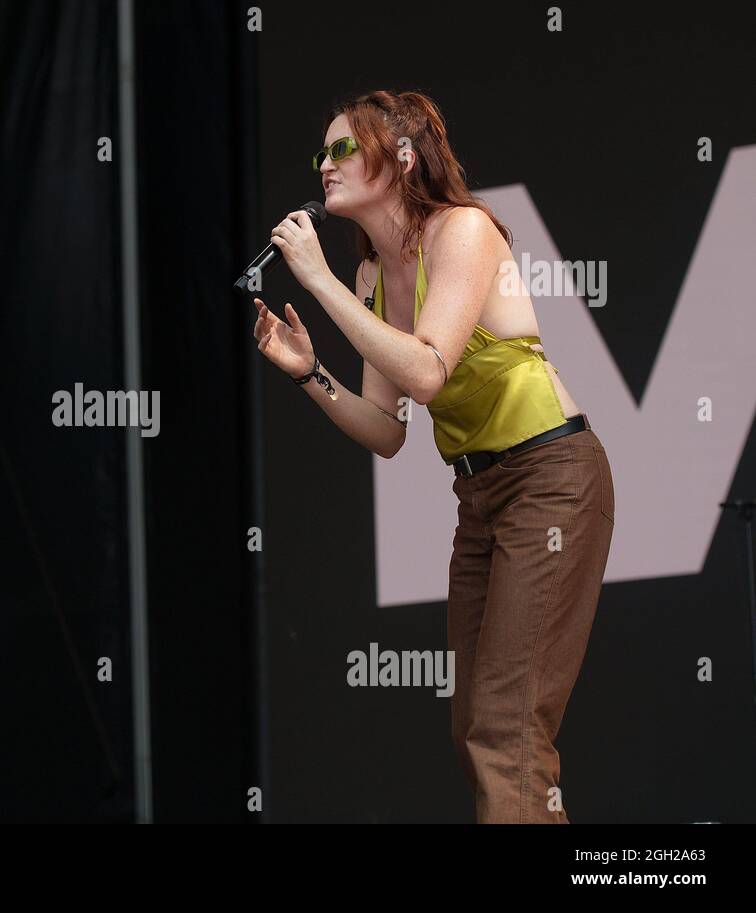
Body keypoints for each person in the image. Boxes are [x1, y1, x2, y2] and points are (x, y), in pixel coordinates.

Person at [251, 90, 614, 823]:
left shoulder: (463, 232)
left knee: (506, 731)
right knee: (477, 726)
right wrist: (307, 372)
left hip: (551, 479)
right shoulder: (371, 278)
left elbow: (426, 371)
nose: (325, 165)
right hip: (479, 500)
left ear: (403, 157)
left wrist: (315, 278)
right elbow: (387, 429)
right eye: (319, 153)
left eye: (343, 148)